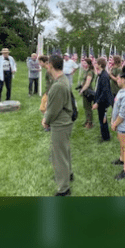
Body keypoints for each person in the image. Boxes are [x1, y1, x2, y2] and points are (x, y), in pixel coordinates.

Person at [41, 55, 74, 196]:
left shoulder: (58, 85)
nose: (46, 66)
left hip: (60, 123)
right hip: (65, 121)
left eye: (48, 64)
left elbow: (53, 109)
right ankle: (68, 174)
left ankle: (64, 188)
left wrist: (45, 120)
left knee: (58, 155)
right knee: (64, 151)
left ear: (50, 66)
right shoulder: (63, 79)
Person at [92, 58, 114, 143]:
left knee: (103, 119)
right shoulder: (101, 75)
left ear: (100, 65)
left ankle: (106, 137)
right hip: (100, 100)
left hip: (103, 102)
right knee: (101, 119)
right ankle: (104, 135)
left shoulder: (104, 76)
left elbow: (105, 91)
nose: (95, 64)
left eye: (97, 63)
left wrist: (98, 102)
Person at [79, 58, 95, 129]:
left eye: (85, 63)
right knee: (85, 107)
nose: (83, 64)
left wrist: (82, 90)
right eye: (83, 63)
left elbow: (87, 83)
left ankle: (90, 123)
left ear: (88, 64)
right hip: (85, 90)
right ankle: (87, 121)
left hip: (87, 91)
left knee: (88, 107)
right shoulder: (86, 71)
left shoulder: (90, 72)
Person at [38, 55, 52, 132]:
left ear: (44, 62)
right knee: (42, 108)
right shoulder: (47, 70)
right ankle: (48, 122)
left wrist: (50, 95)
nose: (39, 64)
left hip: (50, 93)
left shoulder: (50, 71)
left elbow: (53, 83)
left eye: (40, 62)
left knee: (46, 108)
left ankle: (48, 124)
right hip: (47, 92)